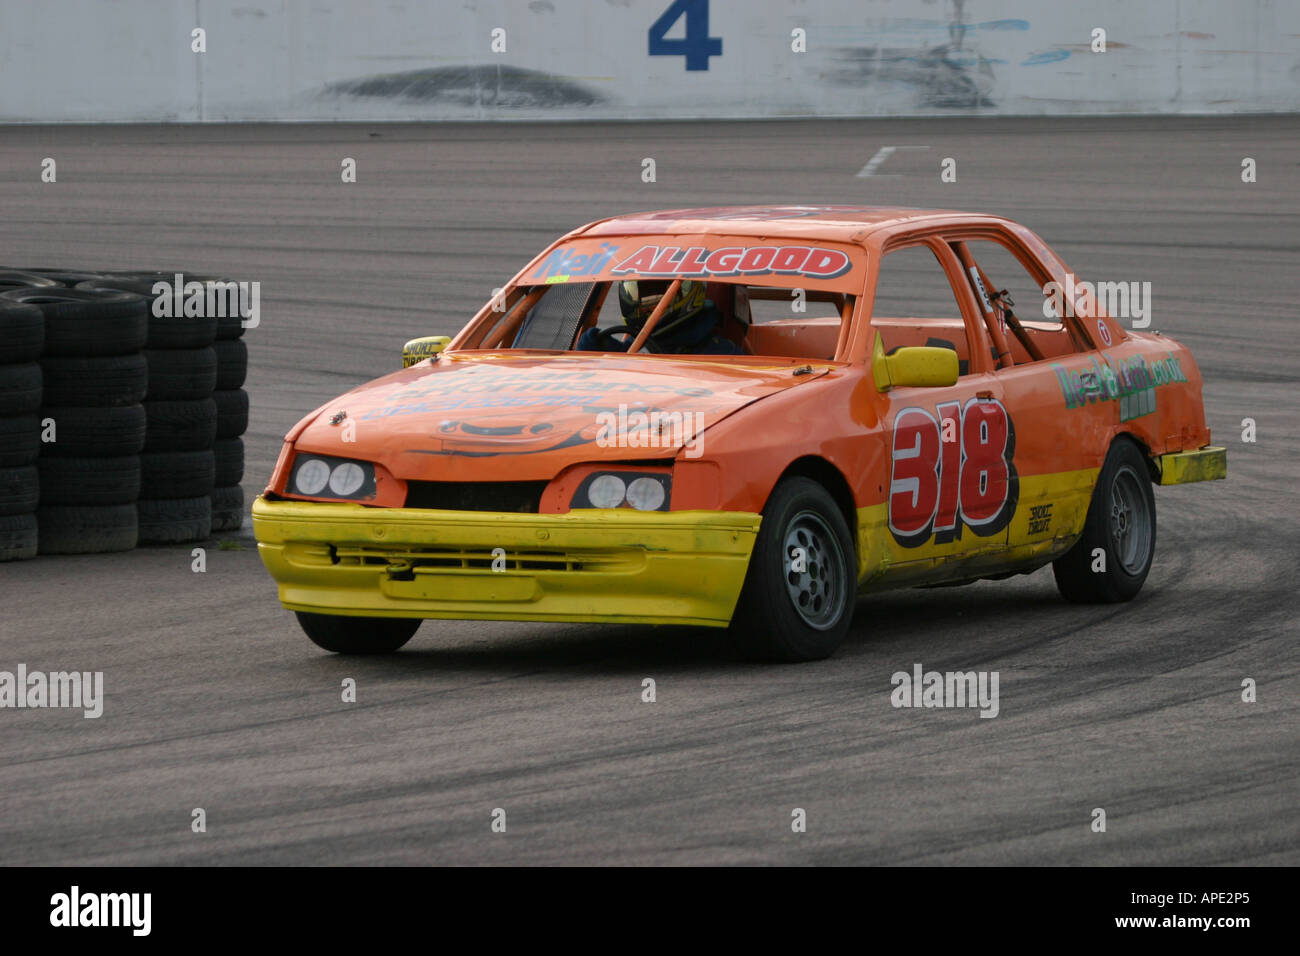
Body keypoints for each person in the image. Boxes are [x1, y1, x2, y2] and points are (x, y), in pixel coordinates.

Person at [576, 279, 741, 354]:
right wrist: (595, 352)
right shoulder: (639, 341)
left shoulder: (721, 352)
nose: (646, 308)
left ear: (684, 295)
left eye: (655, 299)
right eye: (637, 298)